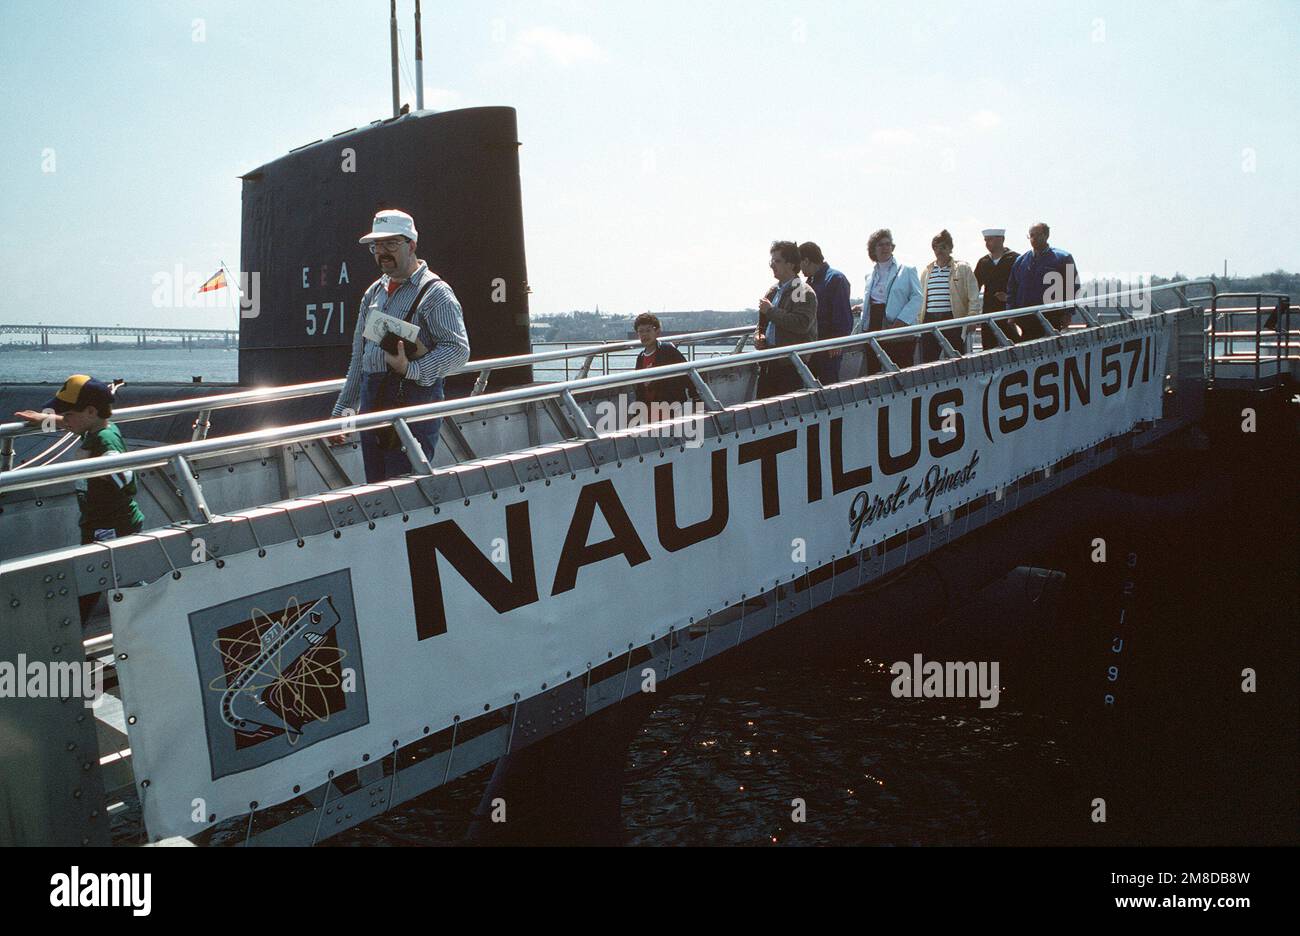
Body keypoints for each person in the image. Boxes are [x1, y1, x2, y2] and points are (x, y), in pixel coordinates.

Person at [331, 209, 471, 482]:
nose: (382, 252)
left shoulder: (436, 293)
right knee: (376, 484)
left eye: (391, 244)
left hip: (414, 399)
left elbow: (458, 350)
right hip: (373, 399)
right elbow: (360, 359)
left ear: (412, 245)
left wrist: (412, 368)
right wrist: (345, 416)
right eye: (377, 246)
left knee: (404, 486)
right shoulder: (374, 293)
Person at [14, 375, 144, 623]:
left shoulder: (105, 440)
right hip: (98, 524)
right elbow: (69, 422)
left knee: (110, 584)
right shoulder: (95, 428)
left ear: (90, 411)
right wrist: (44, 420)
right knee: (108, 582)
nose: (64, 419)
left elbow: (125, 478)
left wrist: (95, 467)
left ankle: (80, 634)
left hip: (111, 528)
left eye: (68, 414)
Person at [851, 228, 922, 371]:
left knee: (900, 371)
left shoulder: (907, 270)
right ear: (873, 249)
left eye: (888, 244)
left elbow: (917, 297)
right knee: (874, 371)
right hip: (874, 325)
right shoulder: (869, 275)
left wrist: (901, 321)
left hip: (898, 326)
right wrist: (862, 306)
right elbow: (878, 298)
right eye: (880, 245)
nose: (885, 248)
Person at [755, 240, 818, 397]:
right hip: (769, 362)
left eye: (777, 261)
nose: (772, 265)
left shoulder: (802, 291)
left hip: (791, 366)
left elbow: (801, 323)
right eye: (772, 261)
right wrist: (758, 336)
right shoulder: (773, 291)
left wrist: (771, 311)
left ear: (791, 264)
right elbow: (762, 325)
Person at [1005, 222, 1080, 341]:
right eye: (1031, 235)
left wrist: (1068, 313)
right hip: (1026, 318)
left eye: (1037, 235)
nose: (1033, 239)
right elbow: (1012, 289)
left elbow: (1072, 287)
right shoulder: (1021, 261)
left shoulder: (1063, 258)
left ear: (1046, 235)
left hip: (1052, 317)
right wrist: (1010, 313)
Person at [917, 230, 982, 364]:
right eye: (936, 247)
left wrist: (972, 317)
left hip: (952, 319)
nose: (939, 250)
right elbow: (920, 298)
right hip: (929, 320)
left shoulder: (962, 268)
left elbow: (973, 295)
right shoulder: (927, 271)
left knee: (956, 358)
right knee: (929, 360)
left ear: (950, 248)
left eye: (943, 247)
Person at [799, 242, 853, 384]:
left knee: (829, 387)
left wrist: (837, 341)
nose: (799, 269)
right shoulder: (808, 283)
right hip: (811, 346)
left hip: (828, 347)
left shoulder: (836, 279)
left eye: (800, 264)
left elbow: (843, 314)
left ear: (806, 260)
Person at [632, 313, 693, 408]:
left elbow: (687, 373)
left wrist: (695, 396)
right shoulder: (640, 358)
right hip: (649, 410)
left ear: (657, 332)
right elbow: (639, 389)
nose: (644, 334)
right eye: (641, 331)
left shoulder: (668, 350)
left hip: (670, 407)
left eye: (648, 330)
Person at [973, 227, 1020, 349]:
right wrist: (973, 311)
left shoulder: (1015, 259)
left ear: (1001, 239)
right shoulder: (983, 262)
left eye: (990, 240)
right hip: (989, 312)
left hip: (1009, 311)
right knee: (988, 348)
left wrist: (1009, 298)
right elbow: (974, 288)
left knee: (1015, 346)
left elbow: (1024, 286)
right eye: (986, 240)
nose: (987, 243)